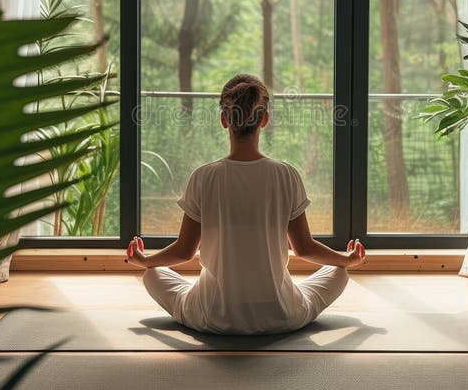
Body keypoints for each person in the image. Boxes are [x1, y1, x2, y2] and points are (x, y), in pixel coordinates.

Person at [126, 73, 366, 334]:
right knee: (339, 272)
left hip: (213, 316)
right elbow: (305, 248)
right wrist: (347, 259)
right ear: (264, 119)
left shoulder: (203, 177)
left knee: (152, 274)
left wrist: (144, 260)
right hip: (281, 315)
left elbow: (184, 252)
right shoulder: (286, 174)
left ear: (223, 119)